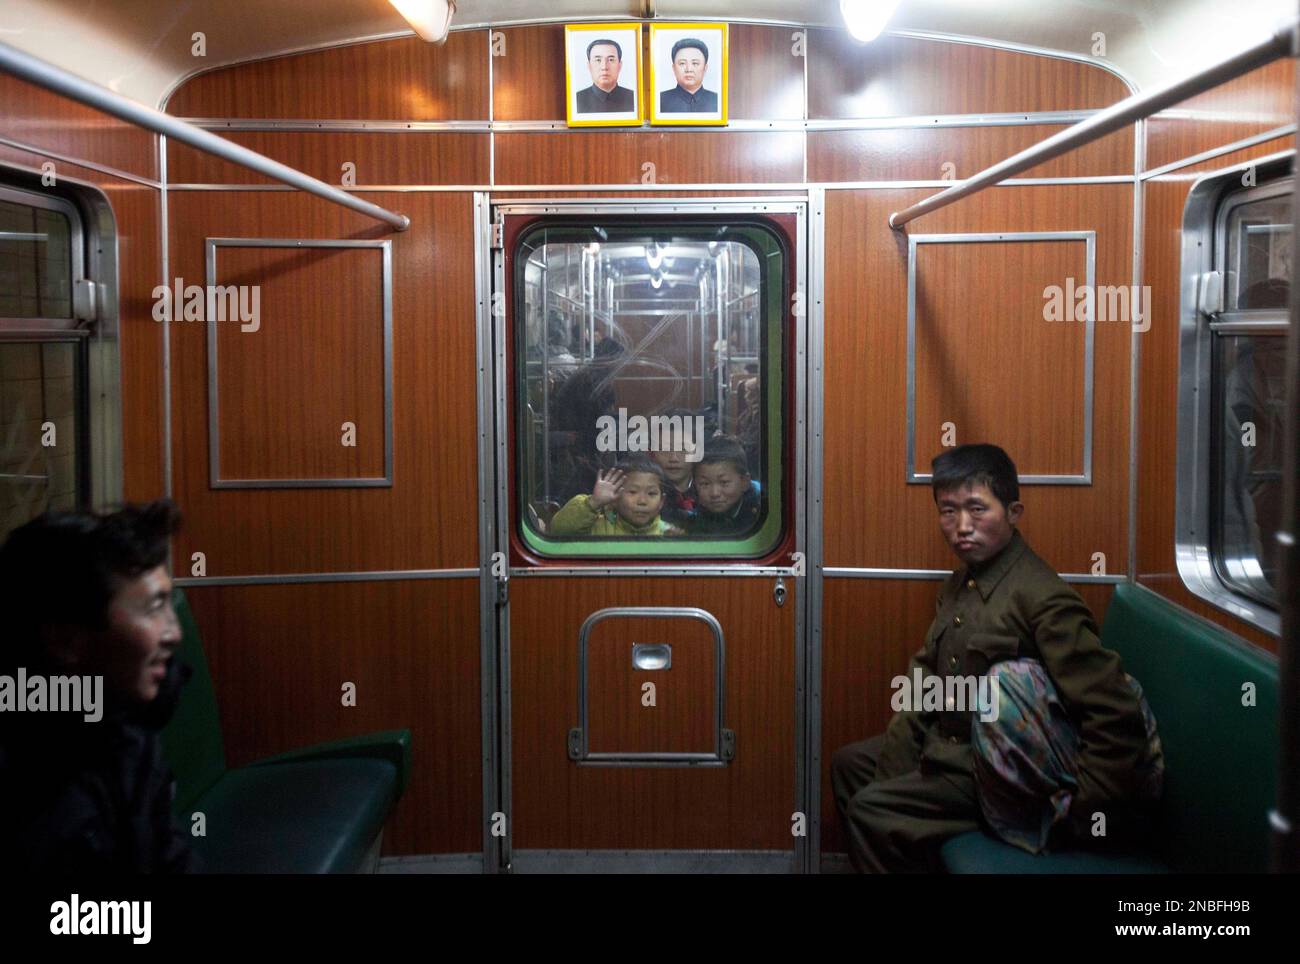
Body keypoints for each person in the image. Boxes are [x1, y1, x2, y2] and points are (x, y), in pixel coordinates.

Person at [830, 444, 1153, 872]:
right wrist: (900, 754)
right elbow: (927, 676)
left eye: (977, 509)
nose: (962, 526)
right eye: (948, 511)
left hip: (999, 769)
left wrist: (1081, 813)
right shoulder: (963, 583)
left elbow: (1112, 711)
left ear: (1013, 512)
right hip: (951, 746)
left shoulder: (1044, 599)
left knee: (873, 809)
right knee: (851, 765)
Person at [0, 500, 197, 873]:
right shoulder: (23, 787)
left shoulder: (125, 732)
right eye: (154, 608)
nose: (174, 633)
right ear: (66, 643)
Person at [549, 459, 680, 536]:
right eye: (633, 492)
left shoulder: (669, 533)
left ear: (661, 501)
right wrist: (593, 502)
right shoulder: (598, 525)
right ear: (615, 498)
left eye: (651, 494)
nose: (642, 501)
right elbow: (558, 529)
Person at [690, 434, 761, 535]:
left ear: (744, 482)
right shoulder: (692, 519)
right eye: (705, 484)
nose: (715, 493)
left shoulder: (760, 514)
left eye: (724, 482)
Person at [650, 409, 700, 528]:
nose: (674, 458)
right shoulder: (643, 494)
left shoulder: (711, 488)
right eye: (665, 449)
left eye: (683, 449)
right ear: (652, 453)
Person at [575, 38, 635, 114]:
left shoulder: (633, 98)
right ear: (589, 66)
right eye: (598, 60)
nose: (604, 67)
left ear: (620, 65)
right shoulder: (576, 100)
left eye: (611, 60)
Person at [659, 38, 718, 113]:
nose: (689, 69)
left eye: (695, 63)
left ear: (705, 68)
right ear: (674, 68)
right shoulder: (660, 100)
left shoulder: (717, 101)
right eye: (682, 63)